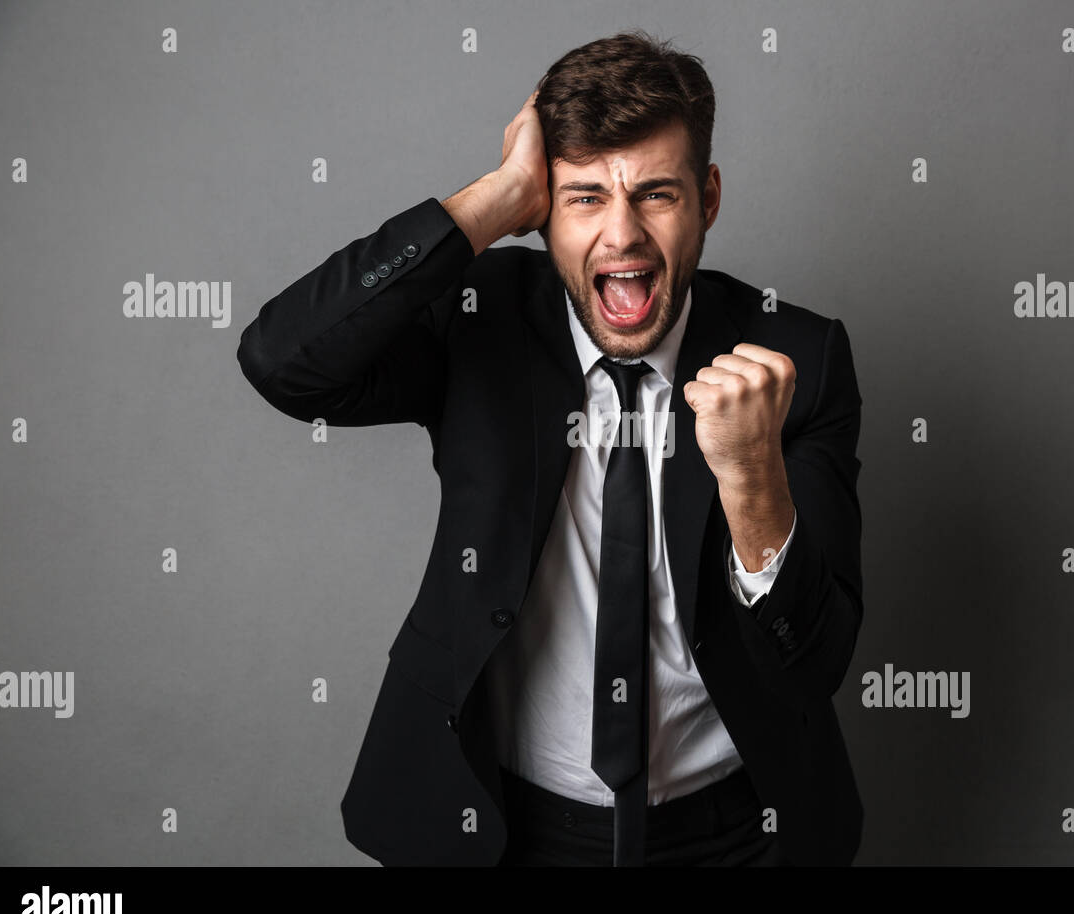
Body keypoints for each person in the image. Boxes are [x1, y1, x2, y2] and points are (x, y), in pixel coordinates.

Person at [236, 31, 865, 867]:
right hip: (506, 826)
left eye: (656, 194)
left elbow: (815, 661)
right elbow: (283, 361)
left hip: (736, 832)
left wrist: (752, 477)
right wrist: (496, 199)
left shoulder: (796, 359)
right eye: (581, 198)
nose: (622, 236)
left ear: (708, 198)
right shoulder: (478, 320)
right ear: (542, 211)